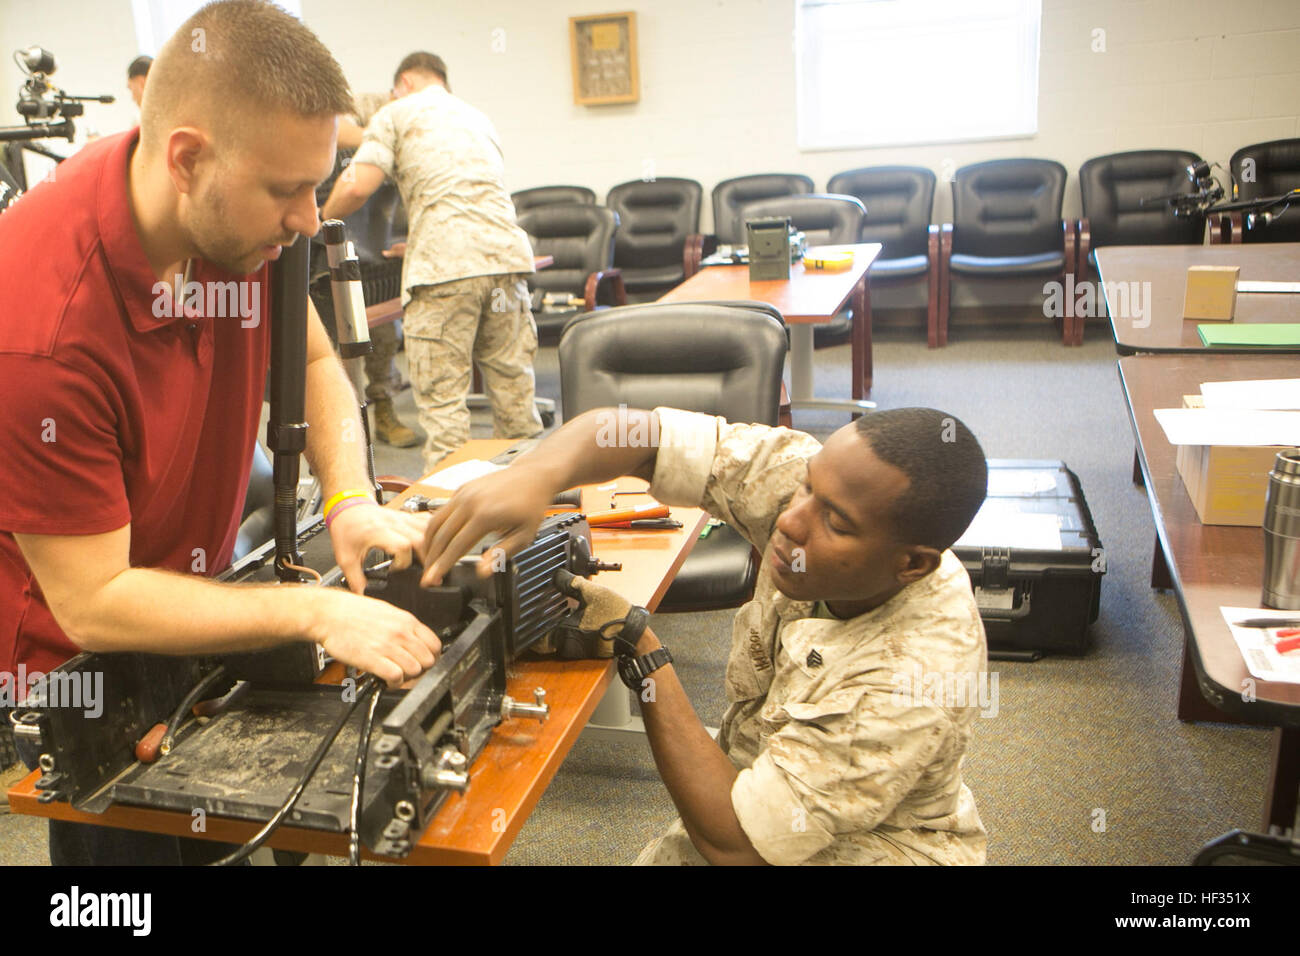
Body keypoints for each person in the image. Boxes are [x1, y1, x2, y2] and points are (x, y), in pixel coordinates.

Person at [0, 0, 440, 865]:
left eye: (317, 183)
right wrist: (312, 611)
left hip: (198, 600)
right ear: (187, 159)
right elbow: (94, 601)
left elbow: (312, 360)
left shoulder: (235, 231)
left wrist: (350, 501)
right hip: (94, 672)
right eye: (286, 191)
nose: (310, 218)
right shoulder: (38, 330)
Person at [419, 406, 991, 865]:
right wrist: (535, 475)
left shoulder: (909, 680)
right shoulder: (824, 485)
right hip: (762, 779)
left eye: (836, 523)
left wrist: (641, 650)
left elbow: (735, 845)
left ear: (912, 564)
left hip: (878, 842)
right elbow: (636, 434)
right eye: (805, 487)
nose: (791, 520)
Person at [321, 51, 543, 474]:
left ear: (403, 82)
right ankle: (533, 502)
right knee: (516, 399)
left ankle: (450, 507)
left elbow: (356, 186)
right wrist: (423, 236)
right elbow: (469, 198)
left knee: (445, 411)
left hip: (444, 273)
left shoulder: (395, 112)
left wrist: (319, 221)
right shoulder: (477, 117)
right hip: (507, 263)